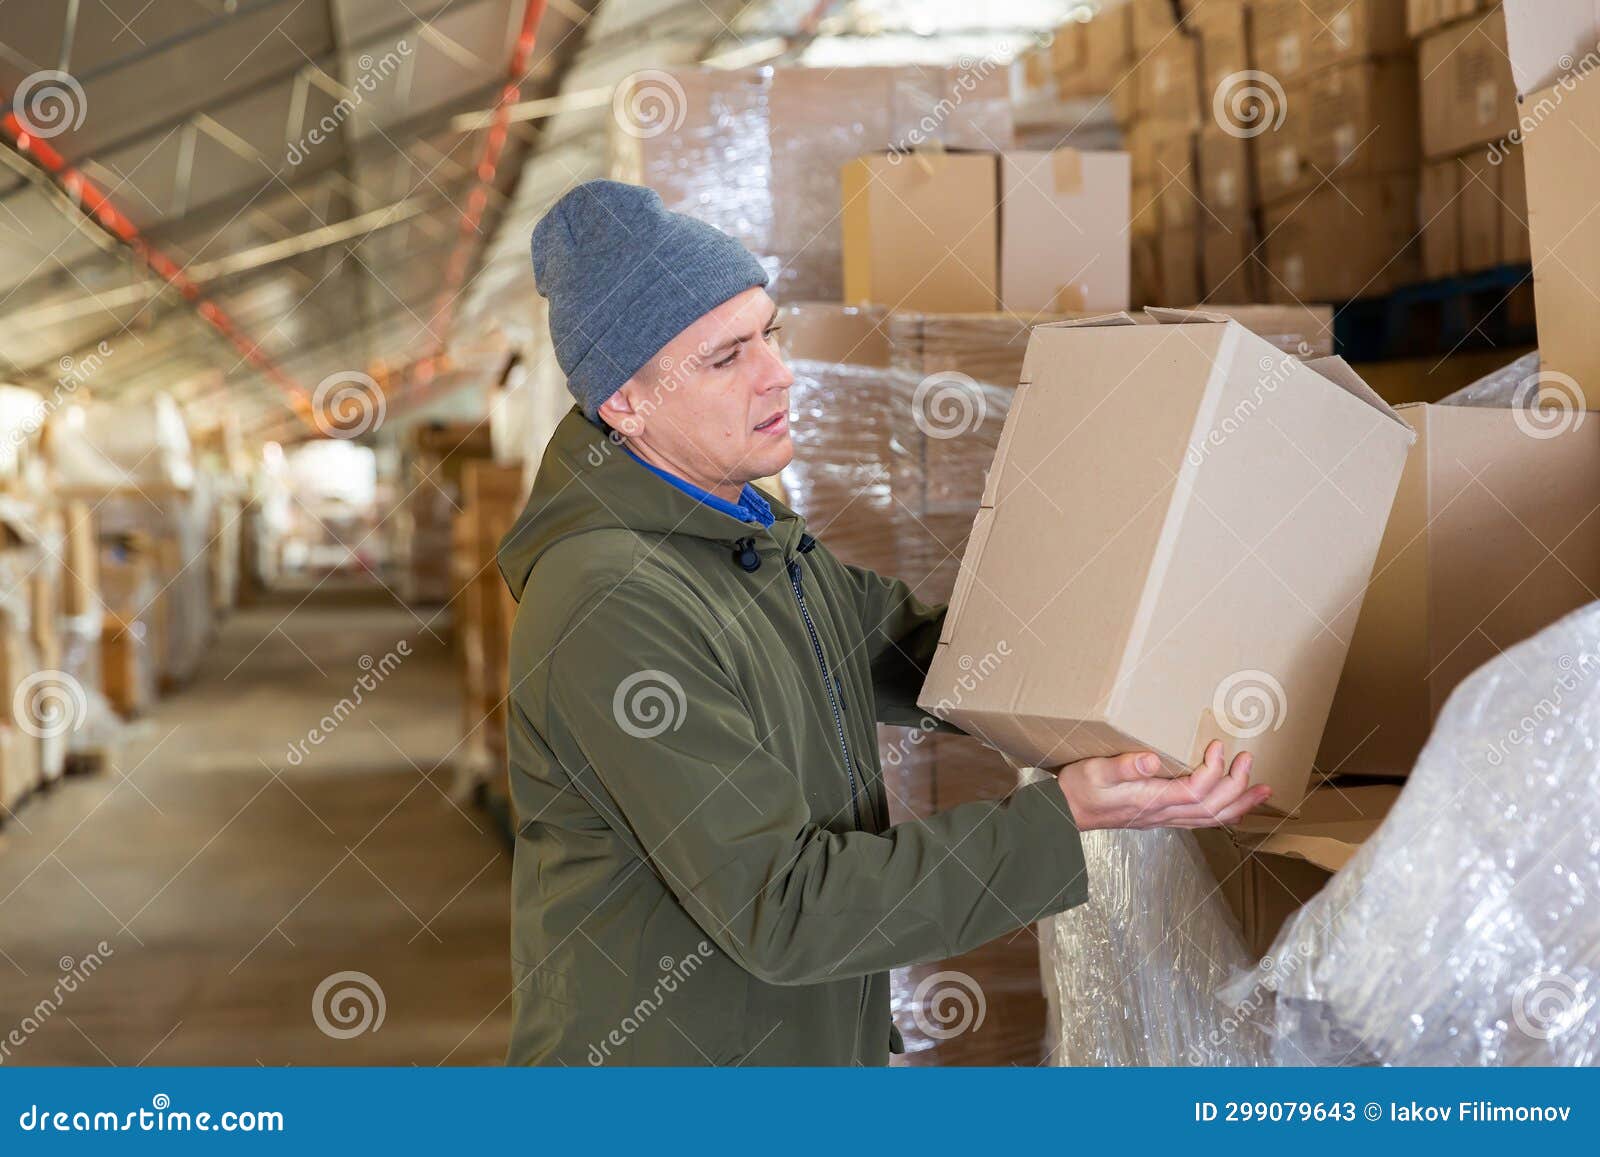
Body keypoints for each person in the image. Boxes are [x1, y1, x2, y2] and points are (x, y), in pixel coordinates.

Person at [497, 179, 1270, 1067]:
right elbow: (784, 909)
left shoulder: (748, 539)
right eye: (726, 357)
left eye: (771, 333)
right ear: (626, 404)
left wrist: (1145, 663)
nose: (777, 371)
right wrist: (1062, 817)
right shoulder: (615, 603)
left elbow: (934, 654)